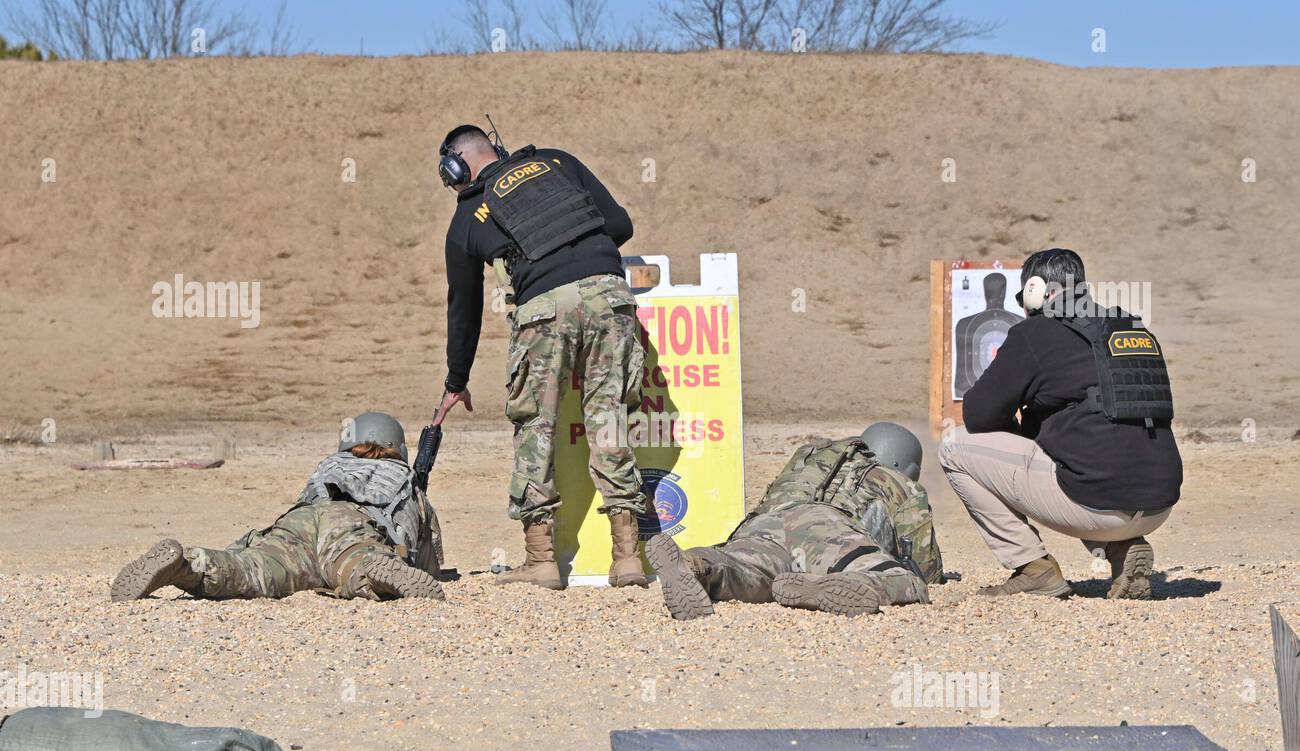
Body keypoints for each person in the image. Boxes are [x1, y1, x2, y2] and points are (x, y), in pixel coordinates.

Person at [433, 122, 646, 591]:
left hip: (543, 309)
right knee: (608, 418)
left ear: (456, 166)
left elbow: (463, 308)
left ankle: (542, 561)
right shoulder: (555, 160)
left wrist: (456, 379)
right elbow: (620, 226)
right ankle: (628, 558)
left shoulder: (468, 215)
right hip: (609, 294)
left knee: (536, 428)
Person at [938, 248, 1182, 600]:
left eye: (1023, 296)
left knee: (953, 447)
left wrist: (1019, 422)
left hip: (1097, 504)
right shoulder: (1132, 327)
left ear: (1037, 291)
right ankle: (1123, 548)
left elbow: (978, 415)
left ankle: (1033, 568)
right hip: (1160, 501)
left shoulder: (1034, 334)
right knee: (1092, 446)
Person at [110, 412, 445, 602]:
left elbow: (310, 502)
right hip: (353, 527)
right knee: (354, 567)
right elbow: (426, 557)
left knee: (252, 570)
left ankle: (188, 564)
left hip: (298, 522)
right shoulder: (403, 476)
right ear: (399, 447)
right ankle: (373, 571)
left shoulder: (330, 465)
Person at [646, 423, 943, 619]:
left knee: (746, 572)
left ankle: (695, 565)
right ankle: (833, 582)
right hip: (828, 528)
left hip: (766, 522)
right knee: (906, 583)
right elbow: (924, 567)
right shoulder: (901, 482)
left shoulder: (811, 456)